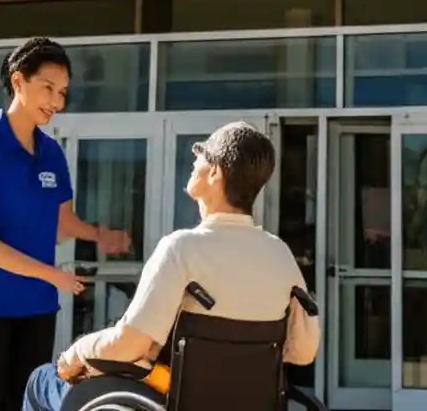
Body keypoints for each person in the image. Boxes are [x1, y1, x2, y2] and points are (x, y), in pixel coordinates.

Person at [22, 121, 321, 411]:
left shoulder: (181, 249)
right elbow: (304, 352)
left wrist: (76, 353)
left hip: (168, 398)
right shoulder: (280, 255)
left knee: (41, 380)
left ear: (215, 172)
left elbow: (130, 345)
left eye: (201, 153)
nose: (194, 158)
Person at [0, 37, 132, 411]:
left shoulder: (52, 153)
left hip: (35, 307)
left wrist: (98, 235)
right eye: (48, 88)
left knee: (29, 405)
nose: (56, 102)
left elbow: (62, 221)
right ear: (18, 82)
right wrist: (52, 275)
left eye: (62, 93)